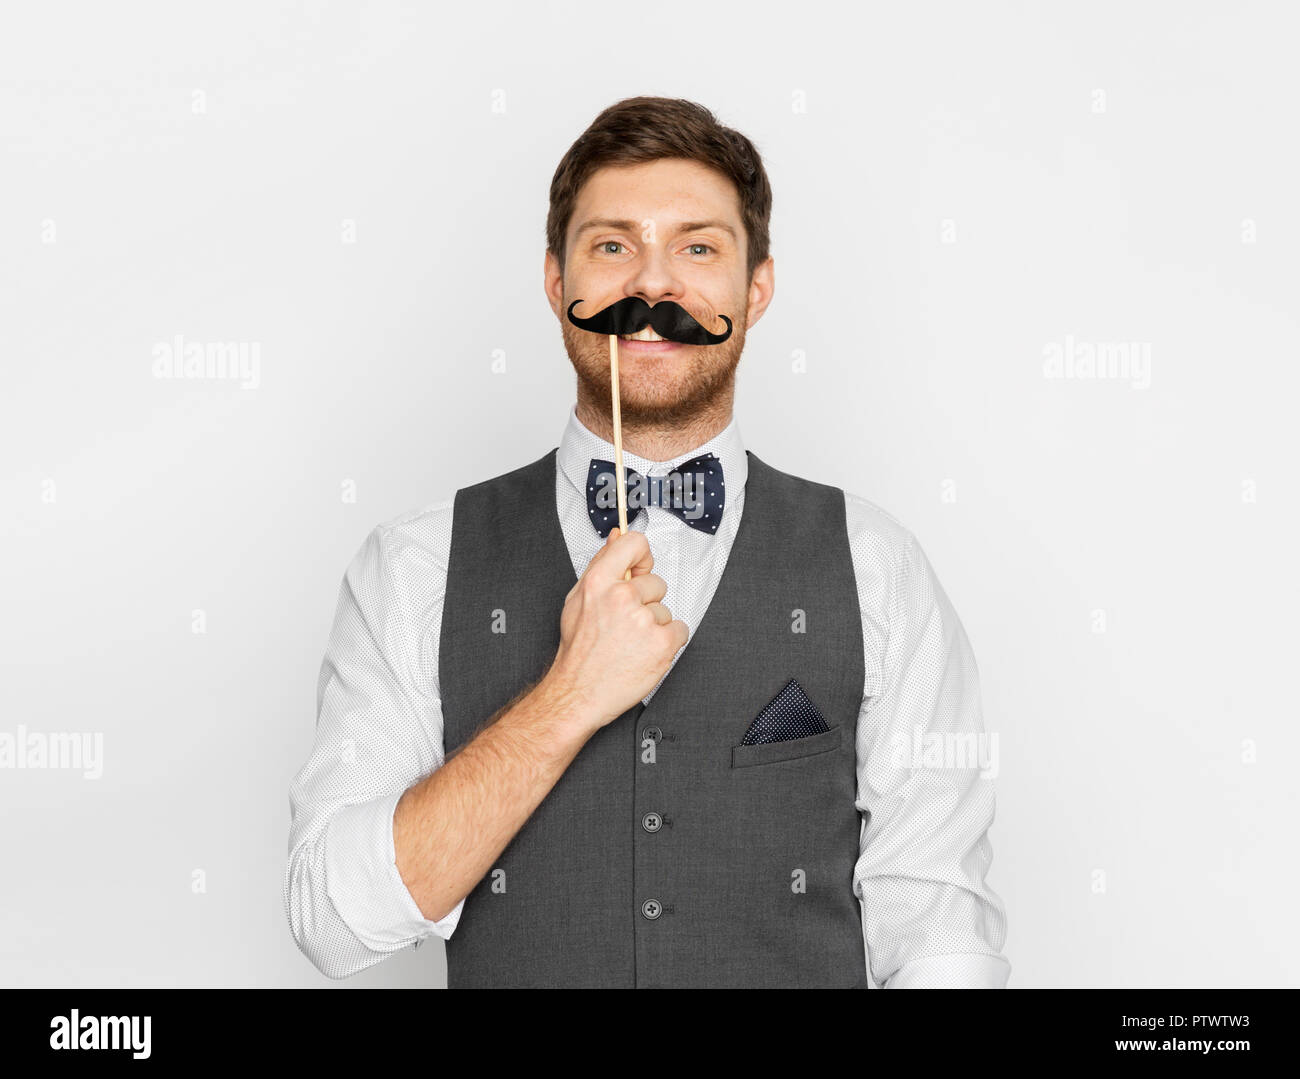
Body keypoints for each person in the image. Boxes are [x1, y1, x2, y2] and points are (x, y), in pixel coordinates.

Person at [284, 95, 1010, 988]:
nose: (654, 286)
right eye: (612, 247)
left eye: (698, 249)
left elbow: (939, 932)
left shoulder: (876, 568)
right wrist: (566, 697)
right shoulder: (413, 567)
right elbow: (332, 923)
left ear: (756, 288)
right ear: (556, 280)